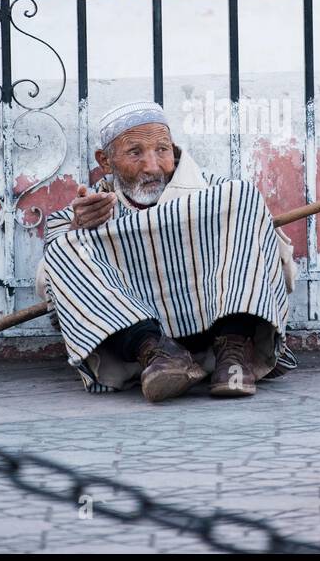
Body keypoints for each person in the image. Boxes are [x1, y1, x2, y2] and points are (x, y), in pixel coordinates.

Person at [36, 101, 297, 401]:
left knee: (245, 195)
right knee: (63, 246)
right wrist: (79, 228)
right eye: (135, 153)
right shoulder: (91, 208)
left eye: (161, 150)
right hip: (144, 352)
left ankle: (235, 354)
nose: (152, 165)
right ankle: (160, 354)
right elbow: (51, 289)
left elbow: (282, 272)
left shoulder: (220, 196)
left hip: (214, 336)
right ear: (105, 161)